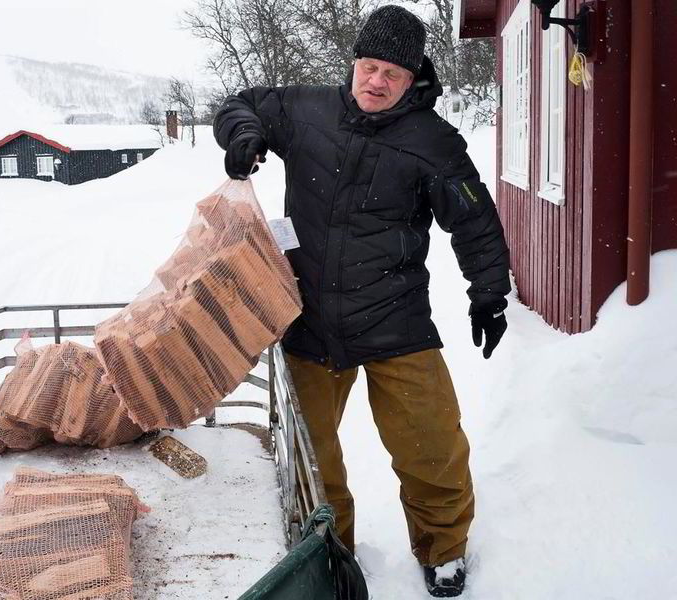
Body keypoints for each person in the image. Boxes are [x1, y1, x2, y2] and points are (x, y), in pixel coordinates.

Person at [213, 5, 510, 597]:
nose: (376, 81)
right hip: (309, 319)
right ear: (354, 63)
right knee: (312, 459)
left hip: (395, 319)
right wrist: (243, 134)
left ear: (412, 78)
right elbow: (239, 103)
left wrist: (490, 293)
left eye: (392, 74)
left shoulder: (433, 142)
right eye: (369, 66)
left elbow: (474, 220)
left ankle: (444, 550)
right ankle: (328, 552)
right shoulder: (305, 111)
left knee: (432, 448)